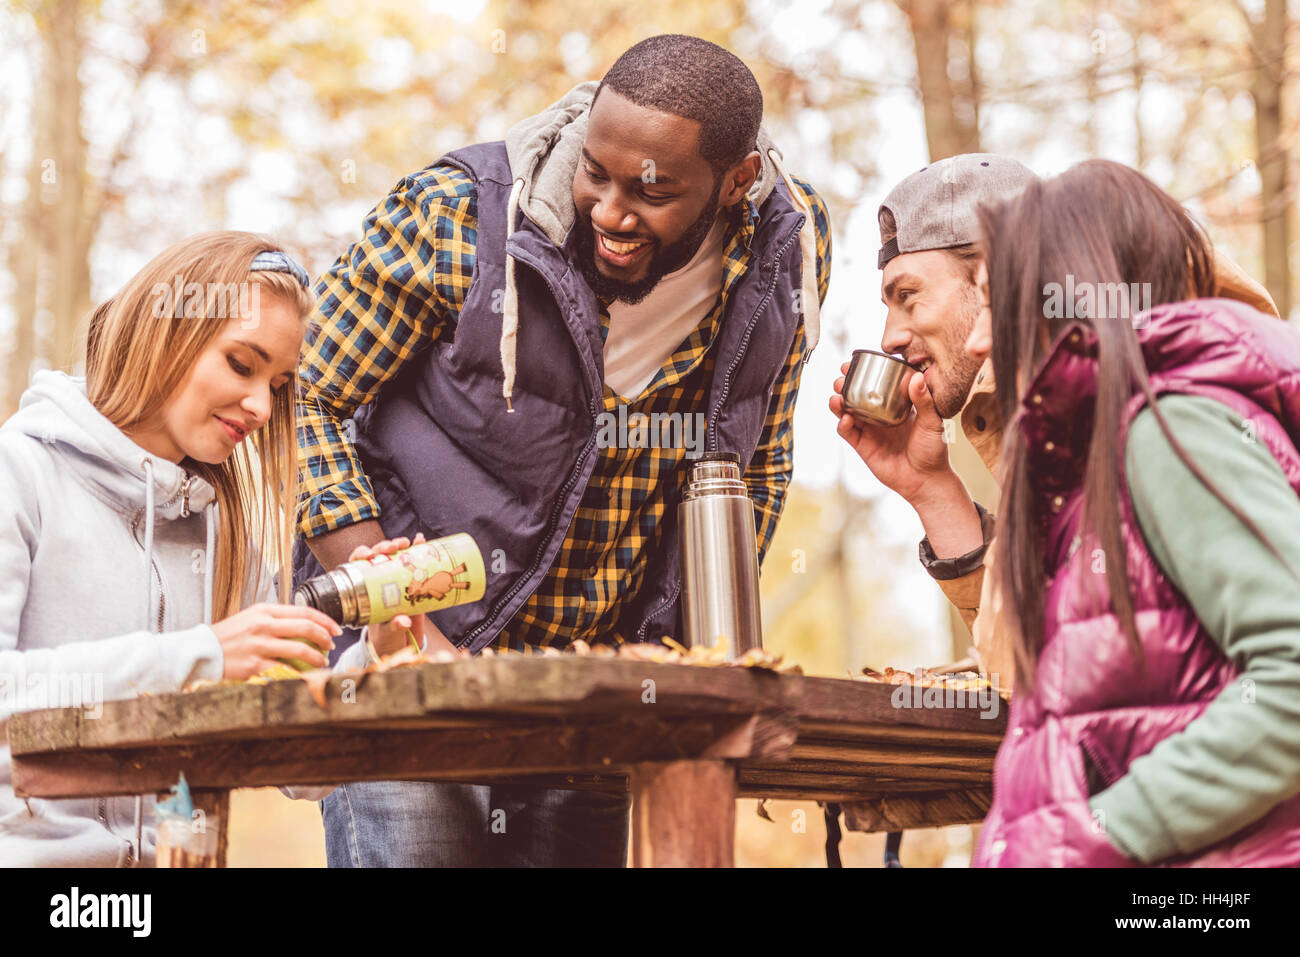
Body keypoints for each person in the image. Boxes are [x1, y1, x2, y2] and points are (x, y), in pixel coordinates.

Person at [295, 34, 831, 866]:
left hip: (596, 690)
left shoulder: (786, 251)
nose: (612, 212)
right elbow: (307, 395)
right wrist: (399, 620)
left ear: (738, 181)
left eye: (651, 192)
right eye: (597, 172)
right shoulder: (457, 216)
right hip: (412, 672)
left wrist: (687, 649)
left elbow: (755, 463)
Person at [830, 154, 1278, 689]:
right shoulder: (1060, 428)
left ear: (1003, 275)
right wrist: (932, 491)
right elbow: (1037, 671)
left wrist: (1141, 779)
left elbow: (1271, 683)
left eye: (908, 296)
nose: (889, 337)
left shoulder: (1171, 413)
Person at [967, 159, 1300, 866]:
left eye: (995, 305)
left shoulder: (1169, 431)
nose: (975, 343)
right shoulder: (1109, 458)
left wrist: (1095, 835)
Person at [0, 231, 341, 867]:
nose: (263, 406)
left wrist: (373, 667)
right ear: (167, 334)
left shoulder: (224, 532)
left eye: (279, 383)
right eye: (243, 364)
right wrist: (200, 655)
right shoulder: (20, 475)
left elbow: (304, 774)